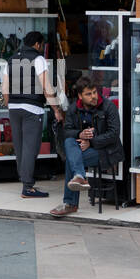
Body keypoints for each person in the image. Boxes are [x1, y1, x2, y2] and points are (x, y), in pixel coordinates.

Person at [0, 29, 64, 199]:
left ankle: (24, 179)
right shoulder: (38, 59)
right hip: (32, 108)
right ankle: (28, 187)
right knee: (30, 147)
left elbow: (4, 88)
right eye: (41, 45)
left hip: (14, 107)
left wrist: (11, 105)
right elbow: (47, 87)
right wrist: (56, 109)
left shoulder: (11, 59)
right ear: (37, 44)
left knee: (20, 146)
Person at [50, 78, 124, 217]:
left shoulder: (108, 107)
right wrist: (80, 134)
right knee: (69, 141)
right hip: (84, 149)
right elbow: (67, 131)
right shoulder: (74, 108)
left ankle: (70, 203)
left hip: (106, 151)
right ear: (80, 96)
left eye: (95, 92)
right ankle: (79, 176)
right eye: (88, 94)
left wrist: (92, 142)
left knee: (72, 160)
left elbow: (114, 134)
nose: (94, 96)